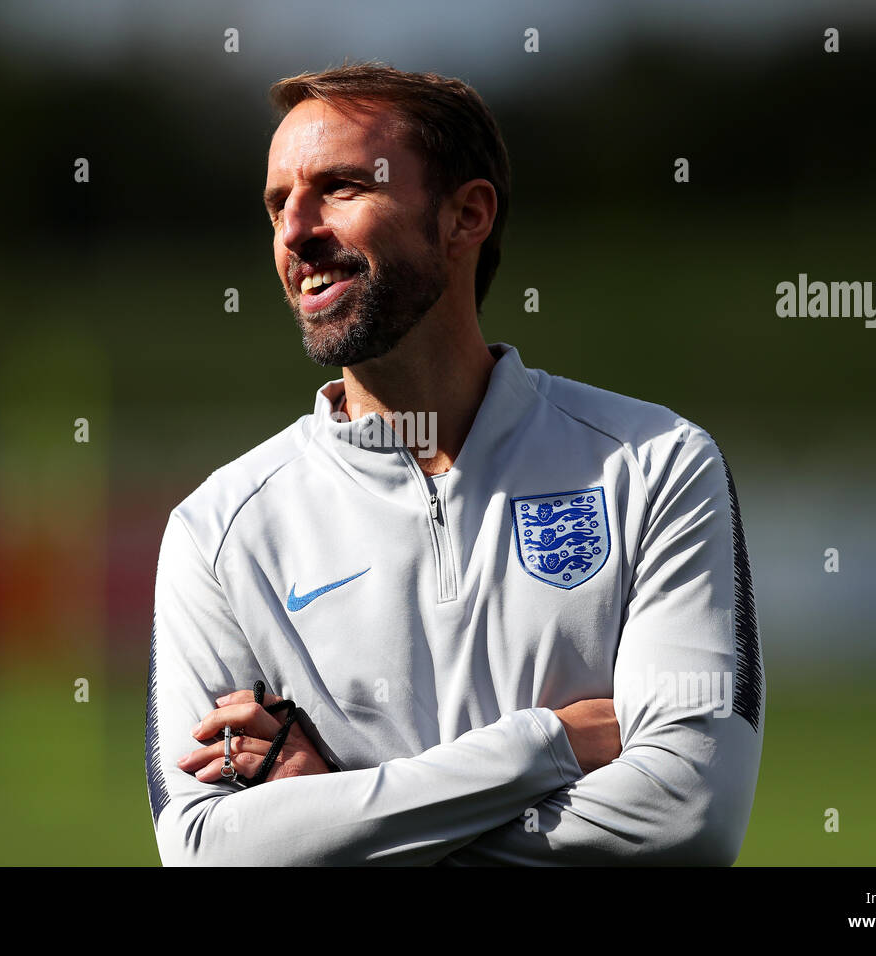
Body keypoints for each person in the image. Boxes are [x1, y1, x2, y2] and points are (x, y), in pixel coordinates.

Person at [146, 61, 764, 865]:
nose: (294, 230)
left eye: (338, 187)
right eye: (276, 204)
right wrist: (548, 747)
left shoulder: (655, 468)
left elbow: (687, 820)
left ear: (465, 216)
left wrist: (336, 804)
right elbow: (209, 852)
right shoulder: (219, 531)